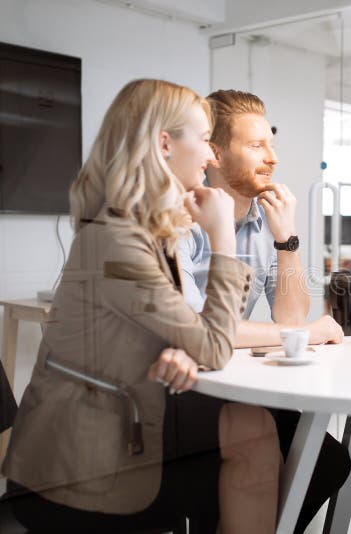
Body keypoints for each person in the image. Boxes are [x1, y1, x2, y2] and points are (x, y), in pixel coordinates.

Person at [1, 79, 280, 534]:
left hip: (123, 425)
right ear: (164, 144)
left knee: (263, 434)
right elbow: (214, 344)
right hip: (76, 472)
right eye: (204, 139)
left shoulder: (147, 230)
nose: (212, 156)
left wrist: (178, 345)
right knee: (256, 437)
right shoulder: (118, 241)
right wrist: (223, 241)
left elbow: (185, 332)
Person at [177, 89, 351, 533]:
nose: (272, 157)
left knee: (327, 462)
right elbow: (201, 329)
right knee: (266, 452)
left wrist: (286, 237)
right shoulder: (179, 220)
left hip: (237, 383)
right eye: (256, 145)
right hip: (184, 387)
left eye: (271, 143)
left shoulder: (263, 220)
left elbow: (290, 320)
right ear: (213, 152)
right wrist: (307, 334)